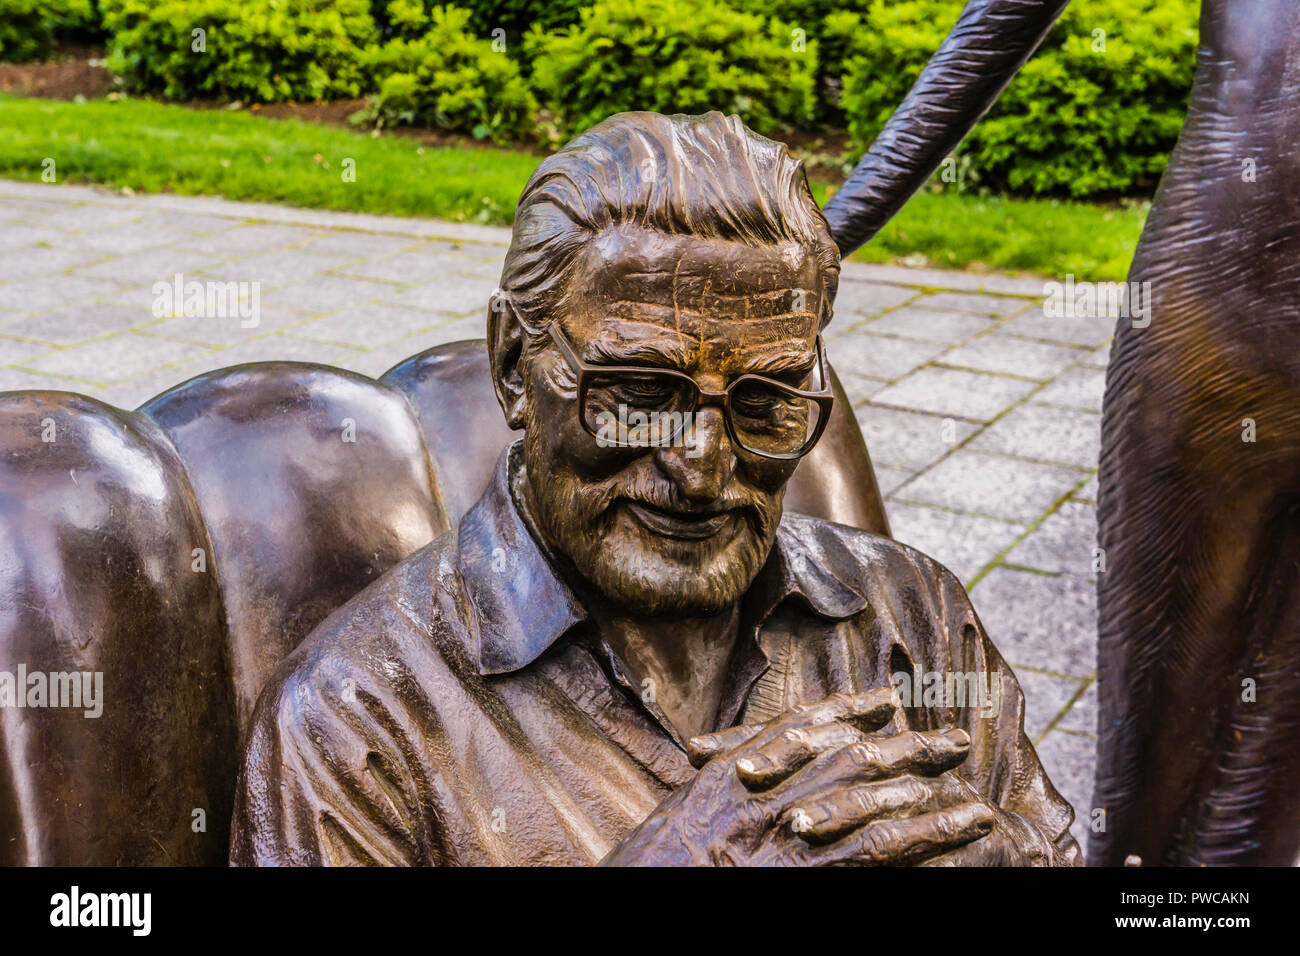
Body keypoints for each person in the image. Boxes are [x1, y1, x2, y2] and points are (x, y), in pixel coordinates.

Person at [229, 111, 1080, 867]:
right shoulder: (355, 724)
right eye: (639, 394)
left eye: (764, 402)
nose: (701, 467)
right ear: (513, 367)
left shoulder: (912, 613)